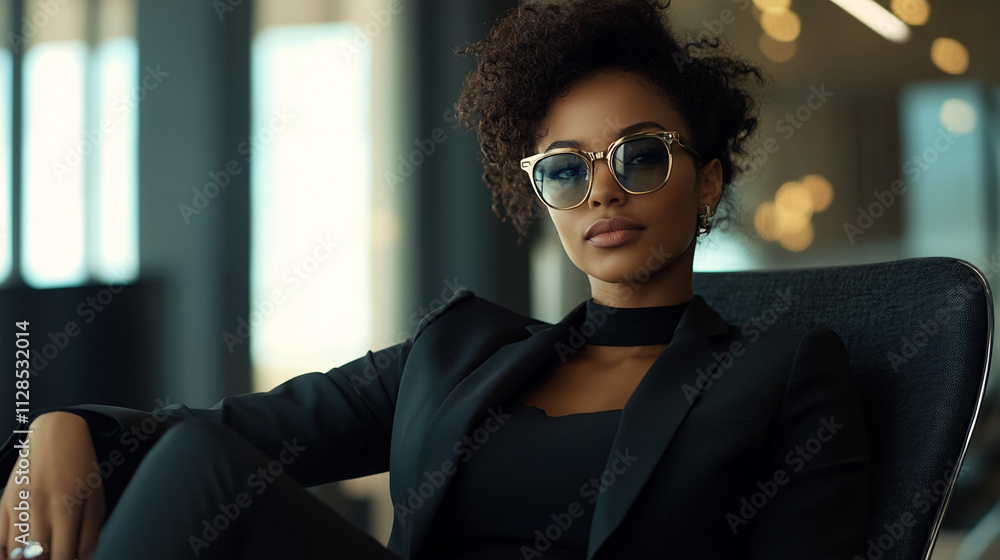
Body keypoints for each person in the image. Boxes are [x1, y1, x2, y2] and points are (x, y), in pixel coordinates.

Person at [0, 0, 869, 558]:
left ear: (708, 180)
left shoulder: (782, 372)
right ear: (543, 196)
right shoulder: (456, 355)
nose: (601, 186)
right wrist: (64, 427)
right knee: (191, 460)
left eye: (638, 156)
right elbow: (230, 435)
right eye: (565, 170)